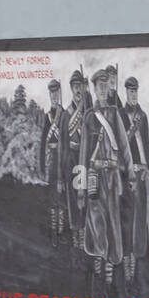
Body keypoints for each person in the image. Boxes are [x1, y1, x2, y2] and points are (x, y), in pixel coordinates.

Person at [83, 68, 132, 298]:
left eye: (105, 85)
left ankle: (110, 281)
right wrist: (81, 188)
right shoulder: (89, 118)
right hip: (94, 178)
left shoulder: (114, 114)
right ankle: (98, 281)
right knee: (97, 229)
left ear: (109, 88)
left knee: (112, 228)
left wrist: (130, 174)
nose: (102, 89)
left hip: (112, 180)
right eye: (99, 85)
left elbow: (124, 147)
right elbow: (83, 155)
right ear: (94, 88)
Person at [120, 75, 149, 289]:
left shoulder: (143, 116)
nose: (133, 95)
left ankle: (137, 272)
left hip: (141, 176)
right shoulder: (120, 117)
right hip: (127, 176)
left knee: (140, 222)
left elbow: (147, 148)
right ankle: (127, 273)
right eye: (130, 91)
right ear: (126, 93)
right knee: (127, 224)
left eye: (136, 91)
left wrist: (148, 170)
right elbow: (121, 148)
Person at [56, 70, 91, 259]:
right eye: (75, 86)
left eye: (81, 86)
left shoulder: (88, 110)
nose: (78, 90)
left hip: (85, 161)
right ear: (71, 89)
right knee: (73, 203)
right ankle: (76, 244)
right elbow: (61, 145)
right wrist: (60, 176)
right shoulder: (66, 115)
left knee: (85, 201)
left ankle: (85, 242)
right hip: (72, 162)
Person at [39, 80, 65, 246]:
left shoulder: (65, 114)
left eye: (56, 93)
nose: (54, 96)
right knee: (52, 199)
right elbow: (43, 141)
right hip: (51, 161)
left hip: (63, 160)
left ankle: (61, 231)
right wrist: (42, 165)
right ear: (49, 95)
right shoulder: (48, 117)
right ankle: (54, 232)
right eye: (52, 94)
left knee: (62, 198)